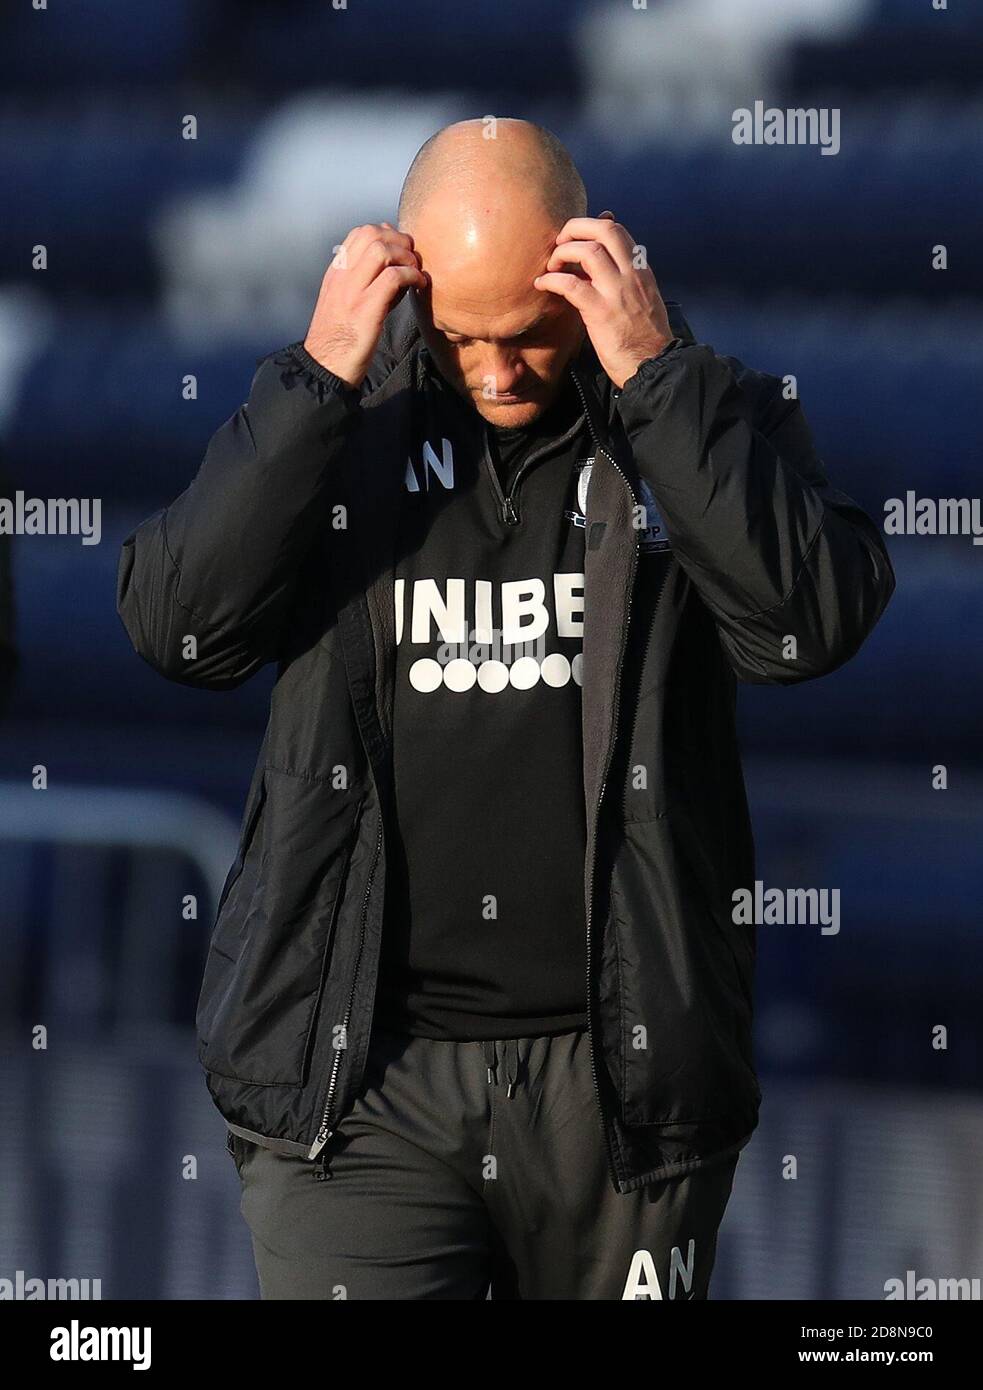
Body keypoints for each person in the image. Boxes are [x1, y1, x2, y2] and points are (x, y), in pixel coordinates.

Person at [117, 119, 895, 1299]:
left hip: (618, 1093)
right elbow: (177, 628)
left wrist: (658, 385)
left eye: (528, 337)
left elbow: (809, 625)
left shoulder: (691, 409)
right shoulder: (337, 425)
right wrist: (313, 379)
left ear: (586, 275)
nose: (493, 373)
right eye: (462, 337)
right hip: (359, 1086)